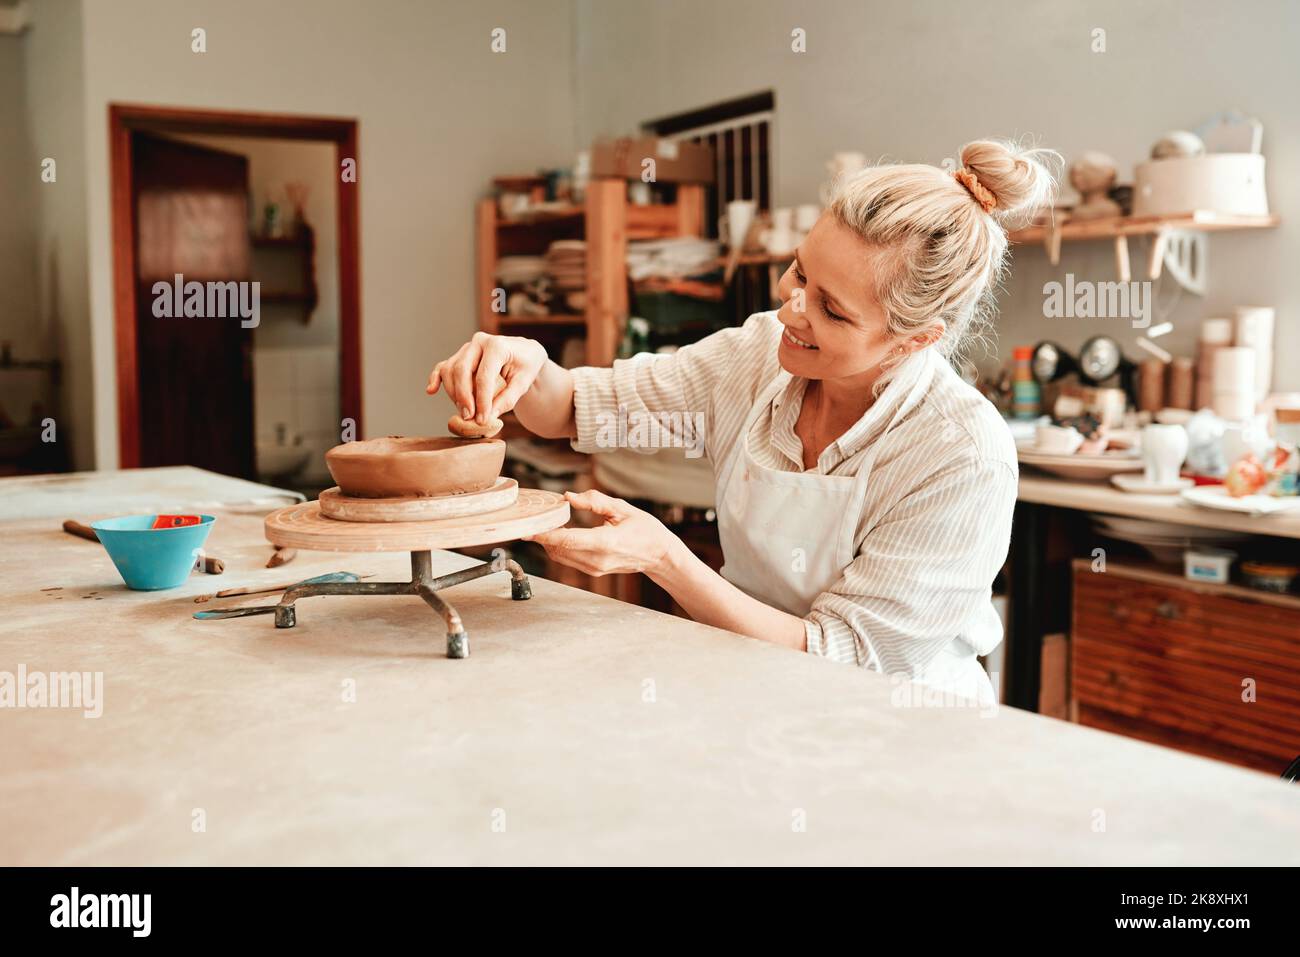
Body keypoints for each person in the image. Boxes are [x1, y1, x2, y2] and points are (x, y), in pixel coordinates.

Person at [428, 139, 1057, 705]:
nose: (792, 310)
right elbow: (575, 409)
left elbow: (847, 659)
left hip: (895, 726)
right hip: (753, 684)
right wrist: (528, 363)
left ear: (914, 339)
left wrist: (665, 559)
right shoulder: (757, 356)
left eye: (831, 310)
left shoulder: (960, 454)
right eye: (800, 273)